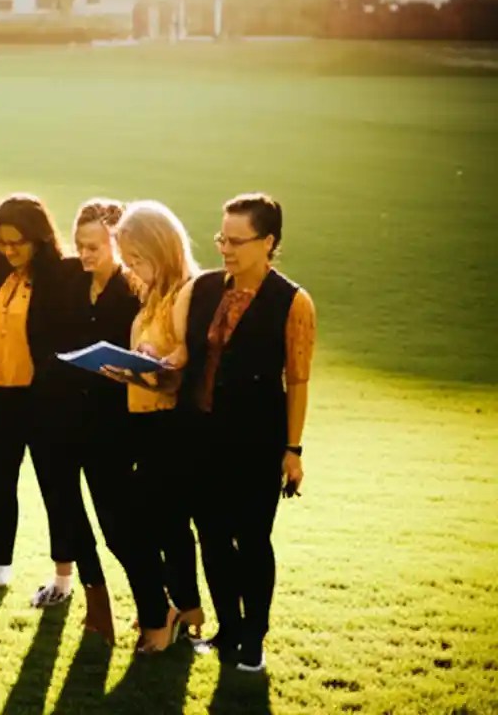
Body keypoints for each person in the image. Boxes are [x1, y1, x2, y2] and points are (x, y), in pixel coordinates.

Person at [183, 194, 316, 672]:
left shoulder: (292, 301)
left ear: (268, 241)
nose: (226, 249)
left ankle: (254, 638)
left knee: (253, 540)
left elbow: (297, 380)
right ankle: (228, 629)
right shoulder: (205, 289)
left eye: (237, 241)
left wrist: (293, 449)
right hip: (203, 435)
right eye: (222, 238)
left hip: (257, 440)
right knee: (212, 537)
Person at [0, 195, 81, 595]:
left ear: (38, 239)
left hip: (42, 399)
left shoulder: (61, 276)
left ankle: (63, 577)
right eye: (2, 242)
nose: (8, 250)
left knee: (56, 487)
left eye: (17, 243)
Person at [104, 200, 203, 654]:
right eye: (126, 259)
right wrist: (128, 371)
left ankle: (180, 608)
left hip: (169, 424)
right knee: (161, 522)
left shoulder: (184, 294)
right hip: (142, 420)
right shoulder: (151, 298)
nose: (131, 269)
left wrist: (150, 369)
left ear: (162, 249)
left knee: (160, 522)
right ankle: (183, 607)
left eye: (137, 258)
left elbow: (184, 366)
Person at [46, 198, 143, 641]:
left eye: (94, 248)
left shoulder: (133, 291)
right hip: (64, 417)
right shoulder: (69, 279)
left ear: (118, 244)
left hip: (112, 424)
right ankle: (97, 603)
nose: (83, 255)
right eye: (79, 245)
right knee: (69, 512)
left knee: (118, 525)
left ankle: (155, 605)